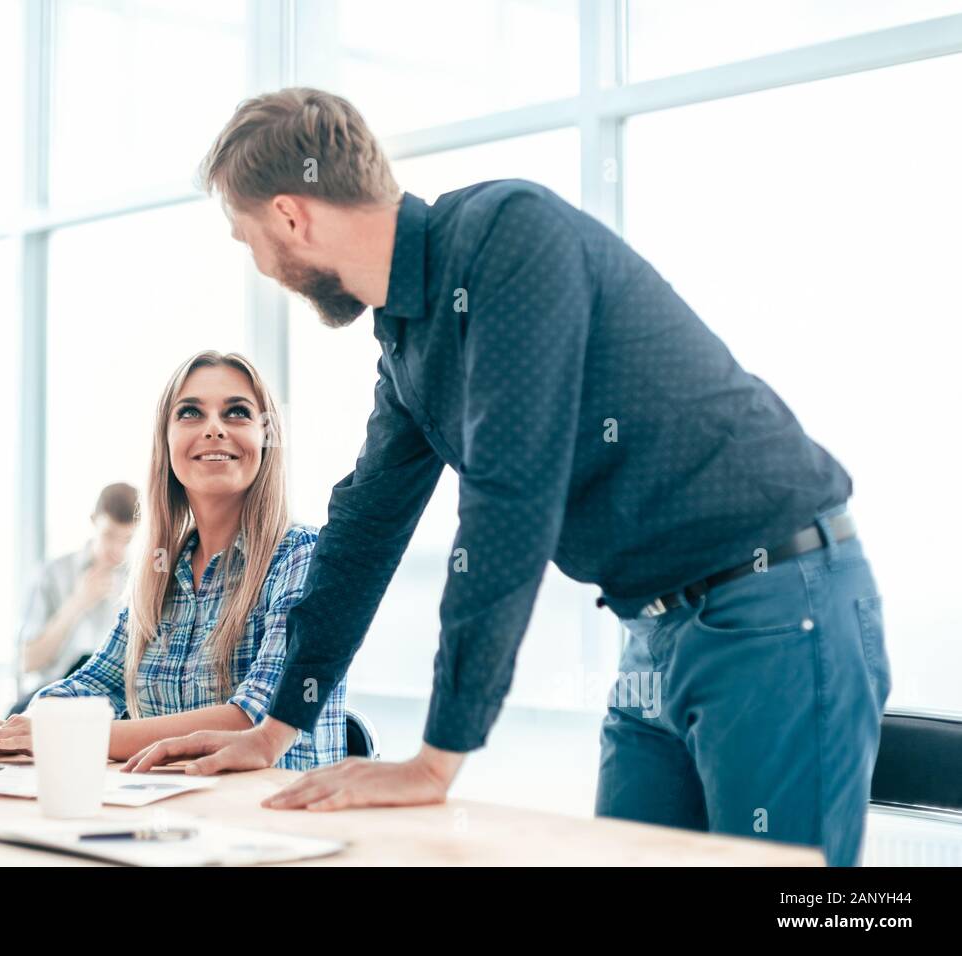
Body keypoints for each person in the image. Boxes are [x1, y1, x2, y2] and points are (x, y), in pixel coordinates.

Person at [123, 88, 889, 865]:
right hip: (651, 631)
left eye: (248, 238)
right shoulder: (407, 339)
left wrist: (435, 762)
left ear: (290, 217)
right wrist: (277, 729)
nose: (261, 264)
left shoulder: (509, 238)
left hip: (774, 605)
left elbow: (509, 498)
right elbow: (364, 531)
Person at [0, 350, 346, 770]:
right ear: (166, 442)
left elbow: (252, 718)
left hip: (270, 822)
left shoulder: (303, 555)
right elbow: (93, 683)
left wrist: (67, 737)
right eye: (190, 413)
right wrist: (20, 726)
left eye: (237, 412)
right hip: (172, 813)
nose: (214, 428)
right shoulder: (159, 570)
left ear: (267, 438)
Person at [8, 482, 138, 717]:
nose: (117, 549)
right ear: (93, 520)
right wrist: (77, 603)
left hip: (111, 704)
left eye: (126, 539)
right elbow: (28, 662)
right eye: (109, 535)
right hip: (54, 694)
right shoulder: (53, 574)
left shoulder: (139, 582)